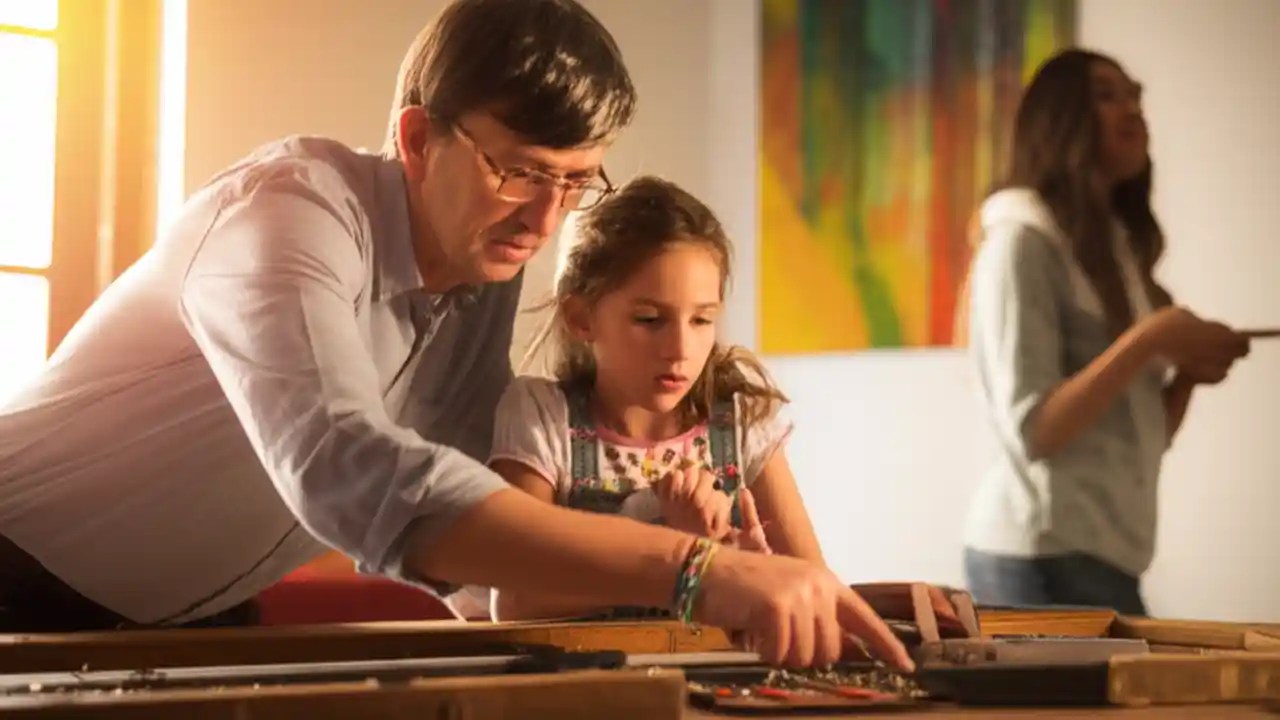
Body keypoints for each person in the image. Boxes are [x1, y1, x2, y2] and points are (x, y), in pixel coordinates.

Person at [0, 0, 913, 670]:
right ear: (414, 137)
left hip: (197, 618)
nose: (547, 217)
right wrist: (689, 570)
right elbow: (348, 463)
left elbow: (471, 513)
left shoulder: (483, 275)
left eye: (576, 181)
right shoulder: (286, 215)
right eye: (518, 171)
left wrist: (826, 598)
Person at [958, 48, 1252, 615]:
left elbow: (1140, 435)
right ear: (1060, 118)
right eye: (1107, 95)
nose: (1133, 109)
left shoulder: (1113, 248)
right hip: (1039, 558)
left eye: (1135, 95)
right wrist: (1151, 339)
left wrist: (1185, 377)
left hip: (1103, 556)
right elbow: (1035, 431)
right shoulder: (1021, 242)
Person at [482, 176, 824, 621]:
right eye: (649, 319)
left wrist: (757, 570)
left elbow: (814, 590)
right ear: (581, 317)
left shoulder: (741, 425)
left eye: (702, 321)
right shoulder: (544, 418)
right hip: (593, 686)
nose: (680, 349)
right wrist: (686, 559)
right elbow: (514, 600)